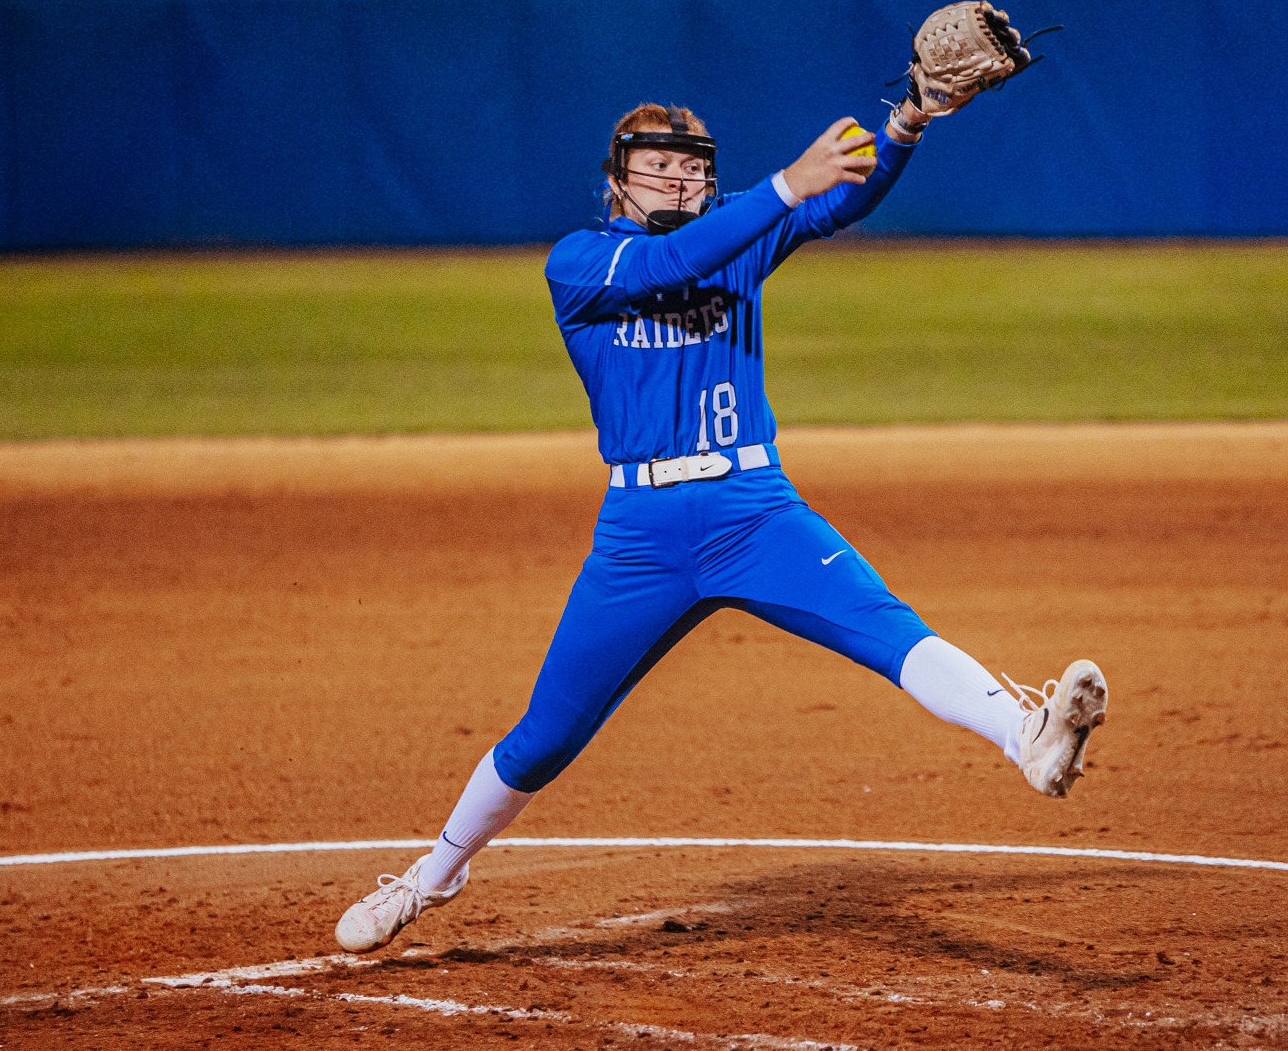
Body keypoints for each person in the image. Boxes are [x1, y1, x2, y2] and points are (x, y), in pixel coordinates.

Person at [335, 74, 1108, 955]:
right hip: (641, 539)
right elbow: (678, 261)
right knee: (547, 736)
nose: (673, 181)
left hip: (753, 512)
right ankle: (431, 876)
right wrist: (785, 184)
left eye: (688, 168)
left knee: (890, 629)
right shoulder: (582, 262)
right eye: (655, 166)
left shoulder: (734, 232)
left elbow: (841, 201)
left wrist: (907, 121)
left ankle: (1030, 737)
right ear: (617, 178)